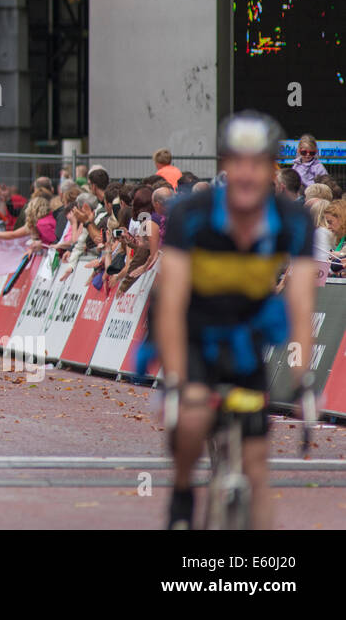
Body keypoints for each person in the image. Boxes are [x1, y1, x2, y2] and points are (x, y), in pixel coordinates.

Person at [155, 111, 316, 530]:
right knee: (191, 419)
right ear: (225, 166)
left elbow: (300, 306)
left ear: (272, 169)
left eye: (258, 163)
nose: (247, 173)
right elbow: (169, 303)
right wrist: (175, 379)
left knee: (256, 465)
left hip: (245, 339)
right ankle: (184, 491)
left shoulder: (292, 219)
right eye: (237, 162)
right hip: (193, 332)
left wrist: (303, 382)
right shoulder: (192, 214)